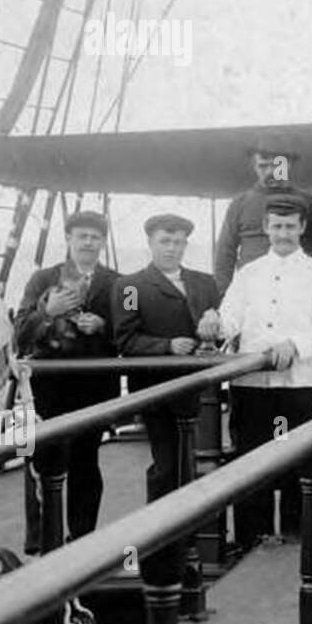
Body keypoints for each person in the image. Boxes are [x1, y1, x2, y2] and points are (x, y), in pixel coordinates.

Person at [202, 196, 312, 550]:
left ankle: (298, 539)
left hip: (300, 382)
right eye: (276, 226)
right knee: (252, 461)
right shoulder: (247, 274)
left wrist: (293, 345)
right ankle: (253, 540)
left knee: (300, 462)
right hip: (253, 383)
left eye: (290, 226)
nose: (283, 233)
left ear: (302, 228)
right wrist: (215, 323)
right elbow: (231, 320)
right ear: (265, 228)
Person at [112, 214, 221, 588]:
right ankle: (164, 553)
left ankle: (188, 548)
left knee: (189, 466)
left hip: (200, 391)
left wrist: (215, 320)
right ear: (151, 243)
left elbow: (222, 326)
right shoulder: (130, 286)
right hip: (158, 392)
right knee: (167, 468)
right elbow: (125, 340)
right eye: (165, 241)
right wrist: (166, 347)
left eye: (178, 242)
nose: (172, 248)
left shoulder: (205, 284)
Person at [14, 210, 120, 549]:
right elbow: (19, 335)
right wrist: (48, 312)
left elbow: (131, 328)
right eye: (82, 236)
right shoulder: (41, 280)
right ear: (69, 240)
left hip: (94, 388)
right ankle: (44, 543)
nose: (89, 243)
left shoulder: (122, 284)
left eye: (95, 237)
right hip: (48, 389)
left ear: (103, 242)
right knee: (42, 460)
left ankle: (82, 540)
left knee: (86, 462)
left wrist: (104, 326)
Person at [214, 131, 312, 295]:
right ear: (255, 167)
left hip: (296, 288)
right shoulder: (239, 204)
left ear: (288, 165)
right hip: (252, 288)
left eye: (277, 165)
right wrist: (223, 295)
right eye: (263, 166)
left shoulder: (309, 203)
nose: (270, 171)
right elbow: (225, 253)